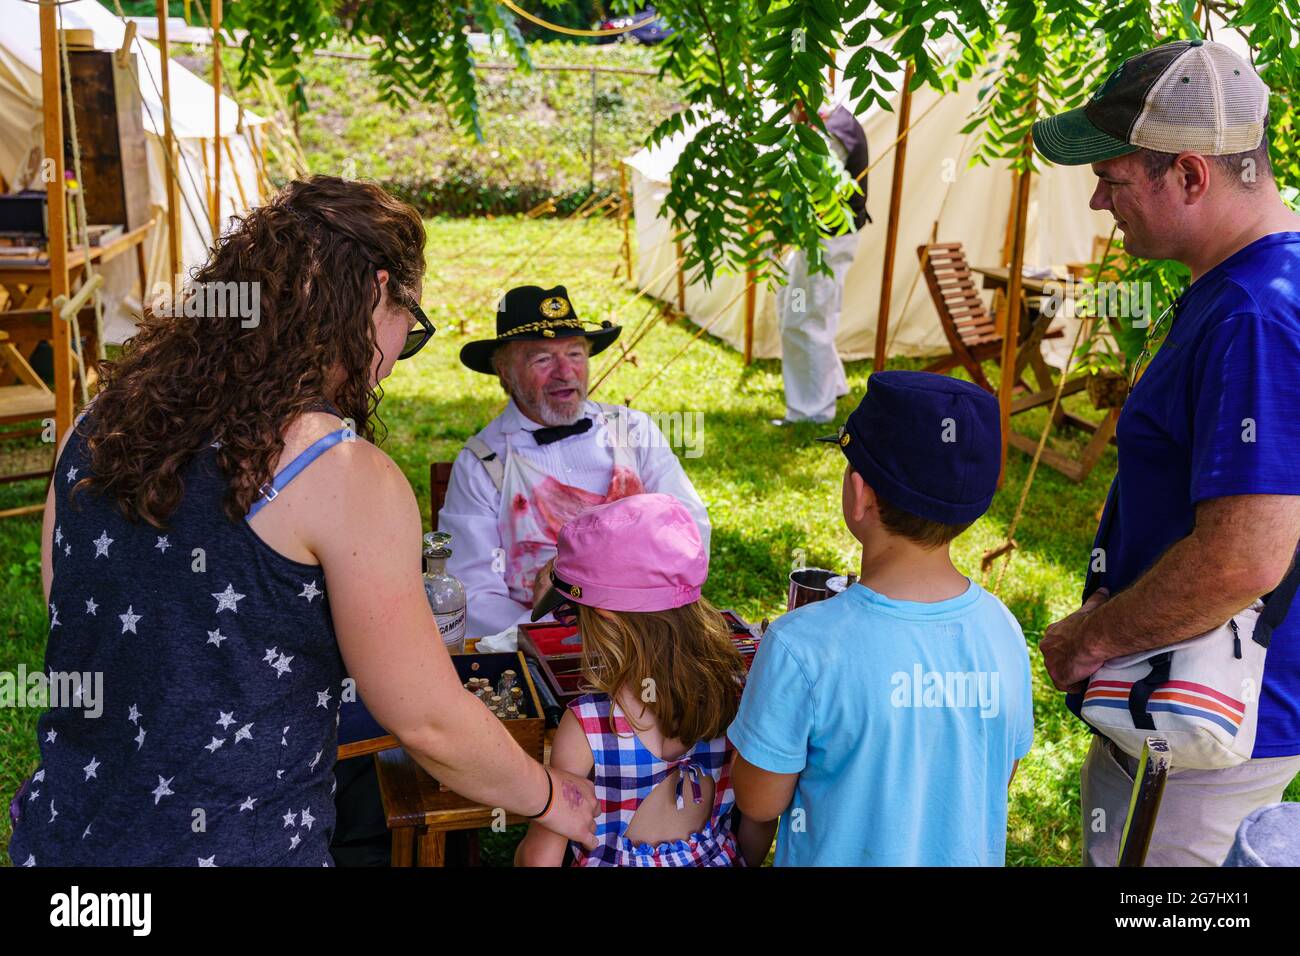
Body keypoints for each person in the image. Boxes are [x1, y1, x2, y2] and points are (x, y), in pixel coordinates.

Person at [7, 176, 596, 866]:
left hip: (62, 843)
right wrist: (556, 797)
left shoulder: (92, 423)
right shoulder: (343, 474)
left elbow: (74, 608)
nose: (389, 369)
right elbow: (429, 721)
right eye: (410, 331)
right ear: (377, 293)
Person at [1032, 39, 1300, 866]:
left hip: (1197, 720)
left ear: (1188, 175)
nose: (1100, 198)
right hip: (1191, 703)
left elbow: (1246, 556)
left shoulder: (1256, 314)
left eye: (1113, 177)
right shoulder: (1248, 285)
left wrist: (1091, 640)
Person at [729, 371, 1034, 866]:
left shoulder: (798, 644)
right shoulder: (1003, 628)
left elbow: (759, 801)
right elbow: (999, 772)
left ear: (860, 494)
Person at [513, 492, 774, 866]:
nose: (574, 634)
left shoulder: (587, 726)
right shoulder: (740, 697)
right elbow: (758, 825)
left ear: (607, 621)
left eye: (573, 619)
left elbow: (540, 859)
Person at [439, 285, 710, 638]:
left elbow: (689, 529)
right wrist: (562, 635)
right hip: (542, 645)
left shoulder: (632, 429)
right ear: (504, 372)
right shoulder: (482, 463)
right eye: (542, 359)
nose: (565, 372)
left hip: (651, 633)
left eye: (575, 354)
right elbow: (473, 592)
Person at [772, 97, 869, 426]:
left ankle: (811, 411)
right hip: (821, 238)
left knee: (804, 321)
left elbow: (818, 189)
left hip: (826, 239)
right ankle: (832, 386)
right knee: (794, 305)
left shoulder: (829, 133)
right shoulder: (832, 120)